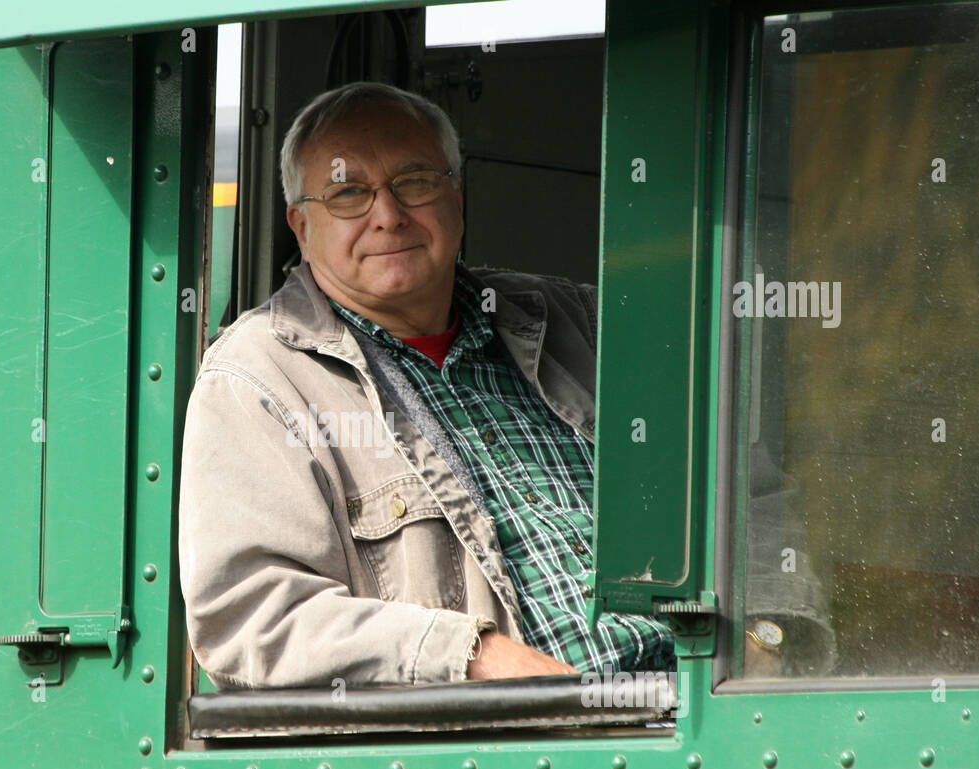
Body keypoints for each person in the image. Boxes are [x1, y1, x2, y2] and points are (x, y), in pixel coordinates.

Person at [178, 80, 676, 690]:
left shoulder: (579, 320)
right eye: (348, 194)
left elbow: (737, 487)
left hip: (700, 707)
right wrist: (473, 657)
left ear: (457, 200)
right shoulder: (257, 378)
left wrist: (770, 634)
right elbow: (256, 618)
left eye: (415, 182)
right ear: (301, 227)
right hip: (513, 752)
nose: (387, 216)